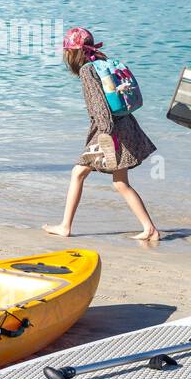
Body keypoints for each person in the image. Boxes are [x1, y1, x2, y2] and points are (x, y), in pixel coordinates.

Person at [43, 27, 160, 243]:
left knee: (81, 173)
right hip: (125, 125)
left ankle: (65, 226)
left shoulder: (88, 71)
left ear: (73, 53)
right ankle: (149, 228)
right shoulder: (102, 64)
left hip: (108, 132)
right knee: (118, 182)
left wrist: (105, 137)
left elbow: (99, 107)